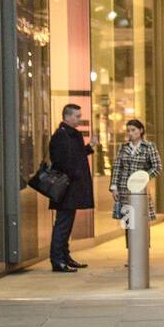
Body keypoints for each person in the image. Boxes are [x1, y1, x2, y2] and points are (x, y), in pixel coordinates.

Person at [47, 103, 96, 272]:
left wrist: (89, 148)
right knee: (62, 223)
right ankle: (57, 259)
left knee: (66, 223)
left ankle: (64, 256)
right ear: (67, 116)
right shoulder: (61, 136)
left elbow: (75, 155)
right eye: (76, 116)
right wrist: (74, 173)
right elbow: (62, 161)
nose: (79, 119)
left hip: (71, 187)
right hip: (65, 188)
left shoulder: (72, 135)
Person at [110, 119, 162, 265]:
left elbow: (157, 167)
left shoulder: (149, 147)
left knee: (142, 222)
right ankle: (131, 254)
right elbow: (117, 167)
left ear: (141, 131)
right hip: (124, 190)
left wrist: (143, 178)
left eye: (133, 130)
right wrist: (114, 187)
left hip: (140, 191)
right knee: (128, 223)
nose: (130, 133)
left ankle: (143, 253)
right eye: (128, 130)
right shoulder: (123, 147)